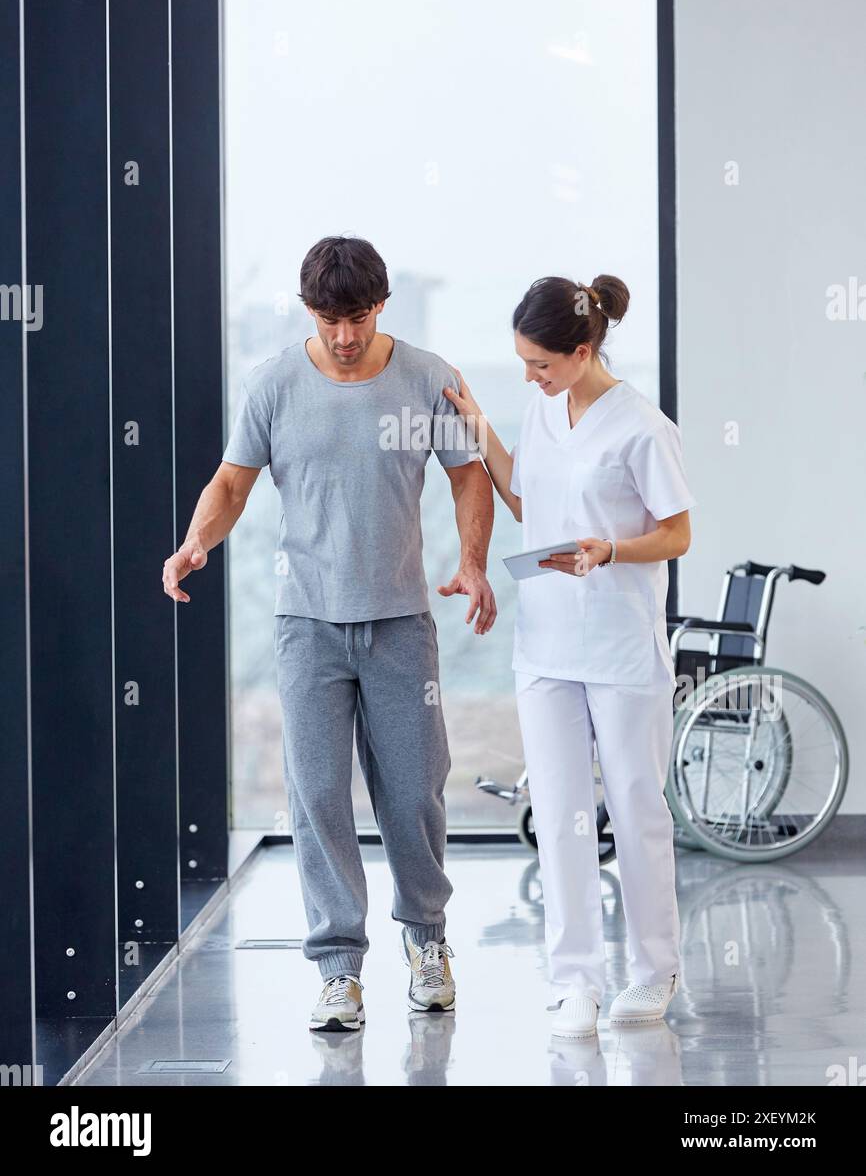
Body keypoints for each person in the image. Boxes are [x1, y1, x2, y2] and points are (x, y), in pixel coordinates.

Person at [163, 236, 497, 1032]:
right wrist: (196, 541)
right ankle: (338, 969)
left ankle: (427, 944)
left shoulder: (426, 378)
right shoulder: (274, 384)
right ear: (307, 310)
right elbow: (231, 481)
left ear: (381, 305)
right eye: (327, 317)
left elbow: (470, 473)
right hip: (306, 626)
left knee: (413, 793)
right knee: (316, 796)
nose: (344, 335)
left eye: (357, 316)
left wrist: (475, 564)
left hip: (400, 623)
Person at [444, 274, 696, 1039]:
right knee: (558, 815)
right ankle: (575, 979)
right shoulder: (542, 408)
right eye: (523, 363)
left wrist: (612, 548)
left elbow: (678, 534)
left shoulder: (643, 428)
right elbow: (526, 499)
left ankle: (655, 970)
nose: (531, 375)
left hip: (620, 647)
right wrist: (483, 426)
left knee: (635, 808)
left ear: (583, 351)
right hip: (546, 645)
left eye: (541, 364)